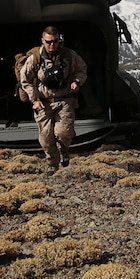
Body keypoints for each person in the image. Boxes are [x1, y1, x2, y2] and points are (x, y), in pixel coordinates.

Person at [19, 26, 88, 173]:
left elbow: (81, 69)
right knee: (46, 138)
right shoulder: (35, 59)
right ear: (42, 41)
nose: (52, 45)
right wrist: (34, 100)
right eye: (49, 41)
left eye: (55, 41)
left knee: (64, 133)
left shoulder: (69, 55)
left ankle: (64, 152)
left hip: (64, 99)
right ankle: (52, 163)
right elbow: (25, 81)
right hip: (43, 102)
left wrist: (76, 81)